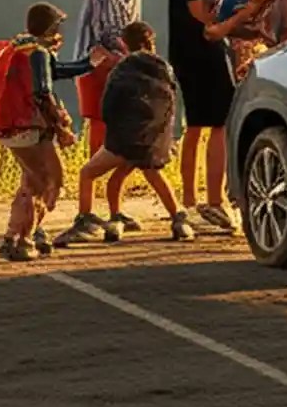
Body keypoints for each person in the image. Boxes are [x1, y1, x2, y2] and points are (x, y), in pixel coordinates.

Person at [0, 2, 110, 261]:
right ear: (50, 28)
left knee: (30, 182)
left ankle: (12, 237)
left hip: (10, 127)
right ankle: (25, 239)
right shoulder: (39, 52)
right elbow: (43, 91)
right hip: (29, 127)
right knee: (46, 181)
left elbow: (54, 71)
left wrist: (89, 64)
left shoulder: (22, 47)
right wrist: (60, 126)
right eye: (57, 26)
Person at [52, 21, 196, 246]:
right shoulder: (164, 69)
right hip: (152, 140)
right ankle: (177, 218)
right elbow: (169, 105)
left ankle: (85, 221)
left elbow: (109, 105)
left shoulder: (124, 70)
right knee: (145, 174)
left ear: (123, 43)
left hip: (125, 139)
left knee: (87, 173)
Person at [71, 0, 147, 233]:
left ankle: (115, 209)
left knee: (124, 130)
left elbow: (134, 23)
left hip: (122, 63)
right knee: (99, 130)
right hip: (96, 63)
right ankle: (87, 211)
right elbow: (100, 29)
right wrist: (119, 56)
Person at [167, 0, 237, 231]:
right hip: (202, 49)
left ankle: (192, 201)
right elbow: (197, 8)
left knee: (196, 125)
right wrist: (229, 20)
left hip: (187, 50)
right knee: (220, 122)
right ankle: (214, 200)